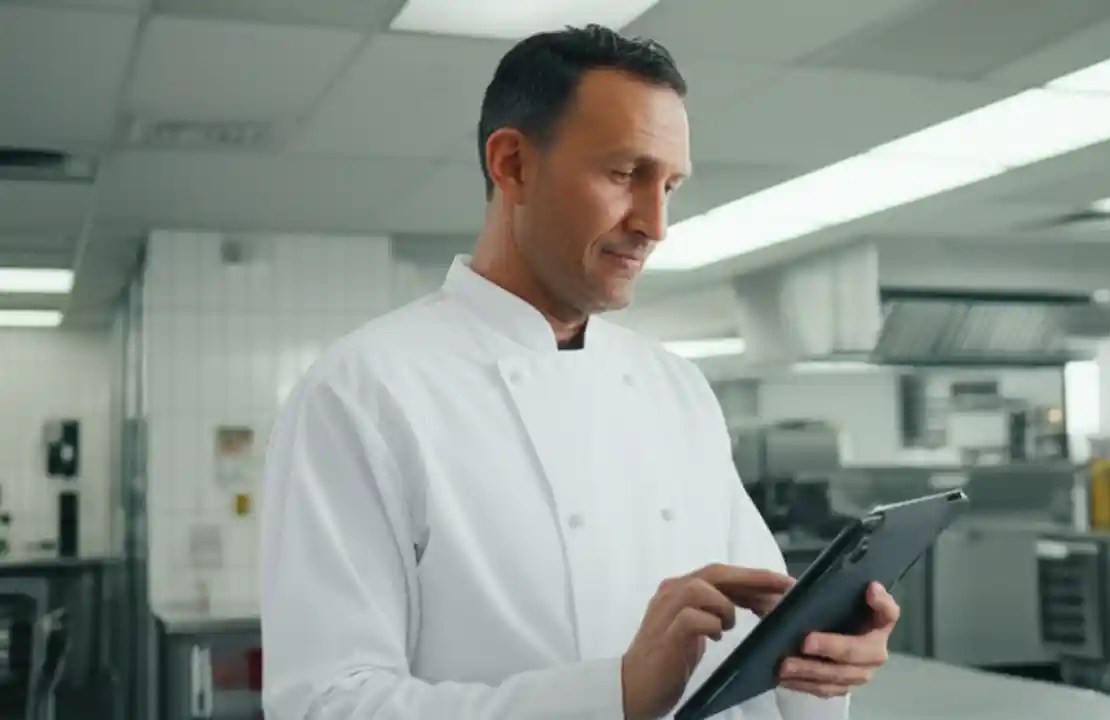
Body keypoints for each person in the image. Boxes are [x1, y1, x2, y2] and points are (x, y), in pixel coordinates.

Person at [261, 24, 899, 719]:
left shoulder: (675, 389)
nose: (656, 223)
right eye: (626, 175)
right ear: (512, 165)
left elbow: (759, 639)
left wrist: (818, 660)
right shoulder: (366, 392)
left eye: (672, 184)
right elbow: (325, 704)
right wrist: (613, 696)